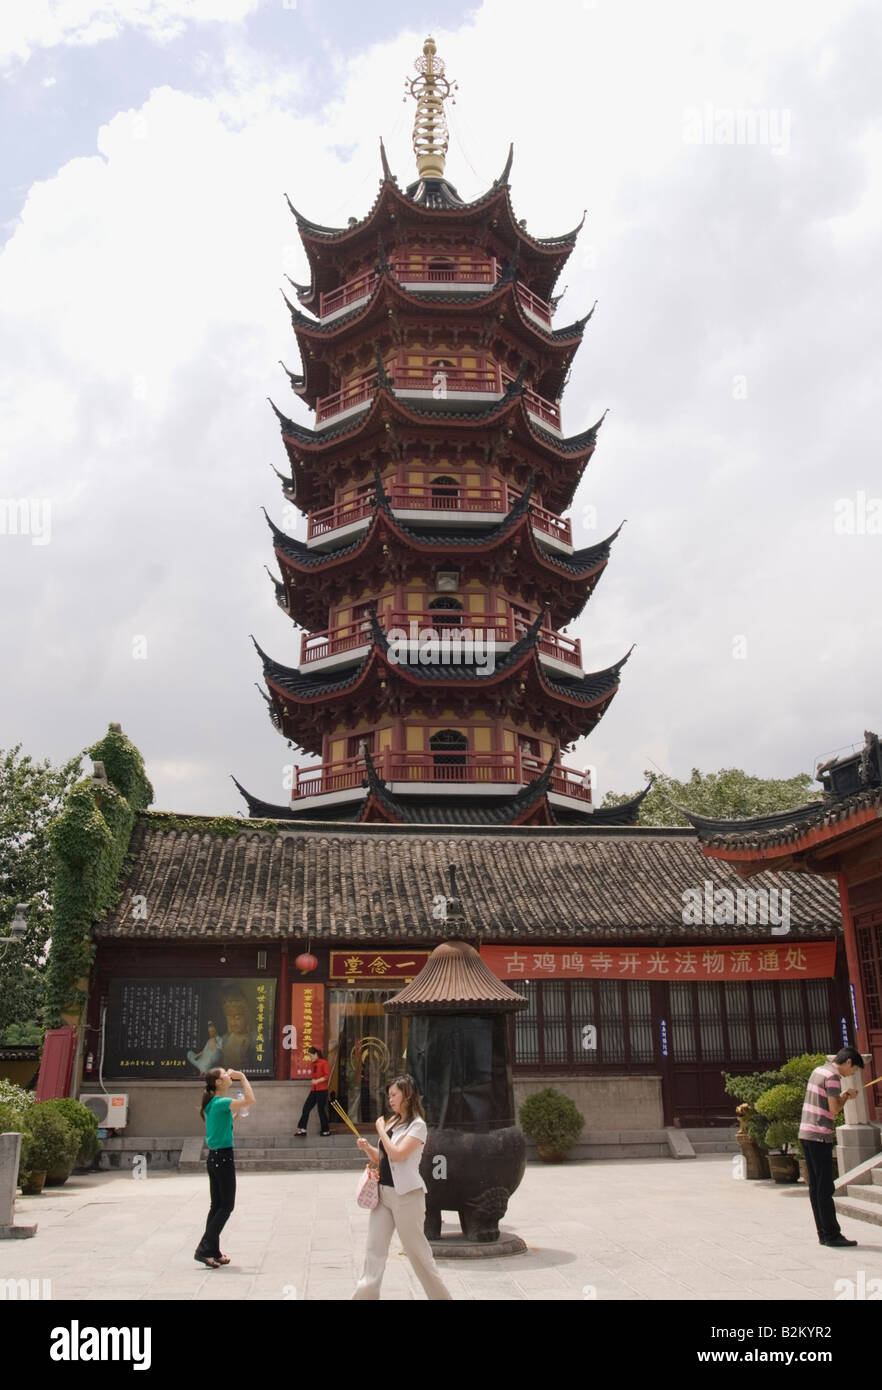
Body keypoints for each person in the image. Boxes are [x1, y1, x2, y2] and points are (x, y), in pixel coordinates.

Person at [352, 1074, 451, 1300]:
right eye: (389, 1096)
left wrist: (379, 1130)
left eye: (394, 1095)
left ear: (407, 1095)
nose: (390, 1100)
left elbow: (397, 1155)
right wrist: (368, 1148)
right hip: (383, 1196)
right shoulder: (393, 1122)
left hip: (407, 1197)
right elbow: (384, 1159)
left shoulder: (418, 1126)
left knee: (418, 1255)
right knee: (373, 1252)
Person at [798, 1045, 864, 1247]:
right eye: (853, 1071)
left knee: (815, 1187)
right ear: (849, 1062)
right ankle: (833, 1234)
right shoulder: (833, 1076)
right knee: (825, 1188)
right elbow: (834, 1108)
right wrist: (846, 1096)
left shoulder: (818, 1070)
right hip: (820, 1135)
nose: (850, 1074)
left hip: (806, 1133)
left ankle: (823, 1233)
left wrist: (841, 1095)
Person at [194, 1067, 255, 1268]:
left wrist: (236, 1114)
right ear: (219, 1083)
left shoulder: (213, 1103)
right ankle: (203, 1249)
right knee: (227, 1206)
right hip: (223, 1157)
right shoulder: (220, 1102)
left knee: (217, 1206)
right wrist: (243, 1078)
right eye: (224, 1074)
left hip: (215, 1157)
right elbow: (250, 1100)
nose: (228, 1075)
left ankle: (213, 1251)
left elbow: (224, 1124)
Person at [296, 1046, 331, 1136]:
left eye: (311, 1056)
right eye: (309, 1056)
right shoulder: (313, 1064)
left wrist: (317, 1081)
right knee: (306, 1108)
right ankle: (302, 1129)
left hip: (322, 1090)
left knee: (321, 1110)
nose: (310, 1058)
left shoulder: (324, 1063)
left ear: (316, 1054)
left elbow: (327, 1076)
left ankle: (326, 1130)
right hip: (314, 1090)